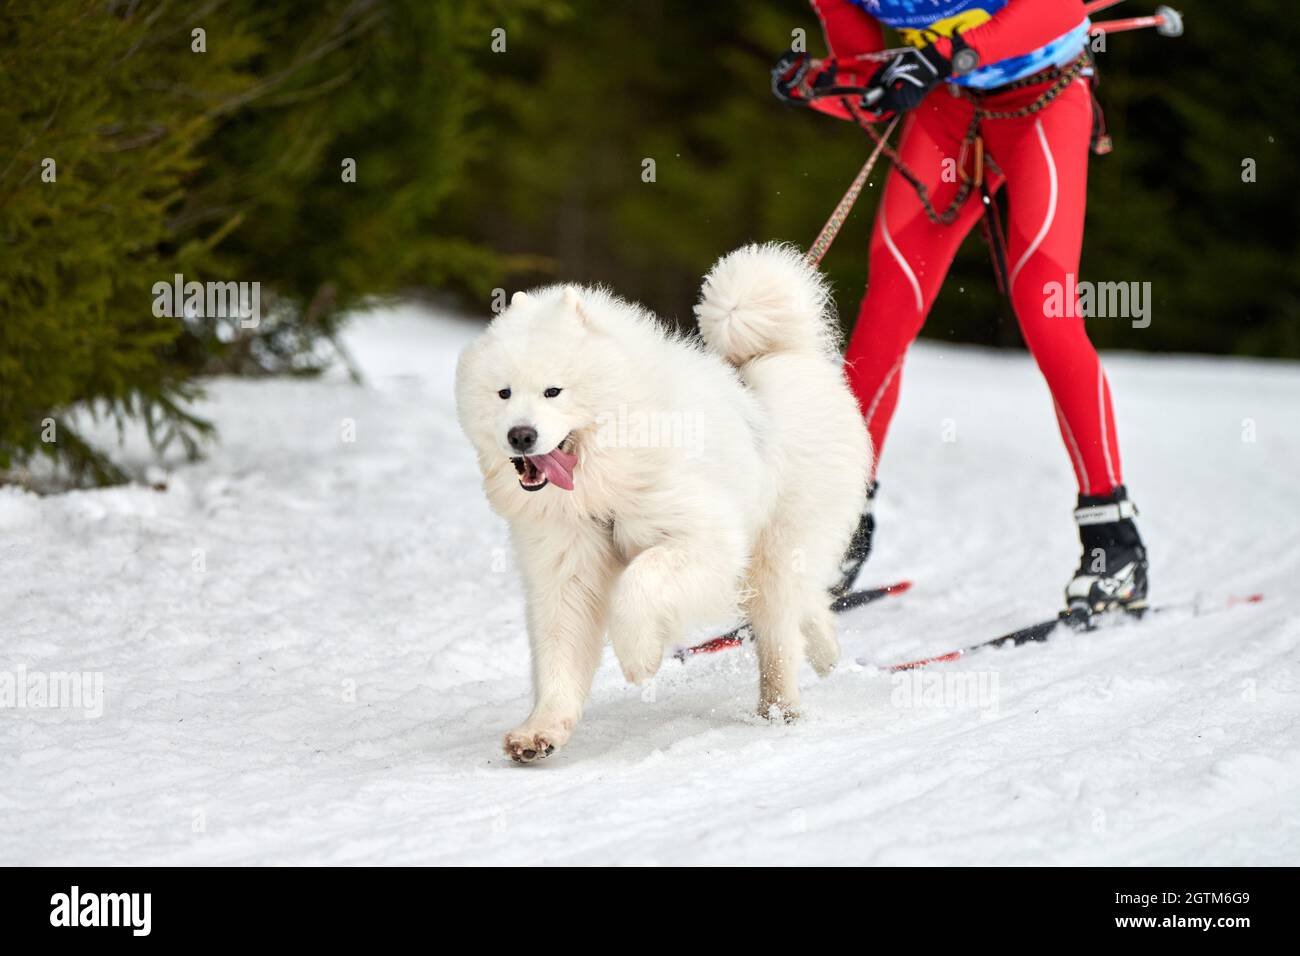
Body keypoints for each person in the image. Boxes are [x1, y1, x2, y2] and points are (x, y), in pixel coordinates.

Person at [772, 0, 1149, 616]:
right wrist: (817, 85)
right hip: (946, 109)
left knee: (1047, 311)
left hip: (1042, 100)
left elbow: (1053, 10)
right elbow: (871, 76)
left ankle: (1114, 540)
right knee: (885, 313)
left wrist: (944, 54)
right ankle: (837, 524)